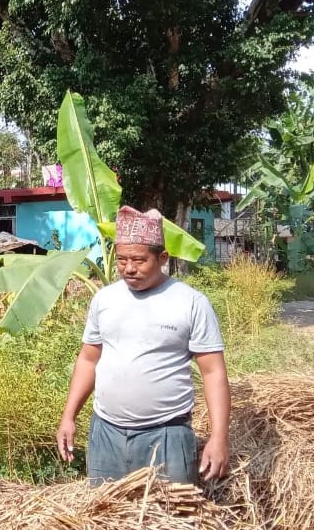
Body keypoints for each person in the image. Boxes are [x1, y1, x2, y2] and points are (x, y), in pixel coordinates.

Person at [56, 206, 231, 486]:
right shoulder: (105, 300)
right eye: (122, 260)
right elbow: (88, 360)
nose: (129, 268)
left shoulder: (190, 302)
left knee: (170, 521)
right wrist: (69, 417)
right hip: (106, 433)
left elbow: (213, 373)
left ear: (162, 258)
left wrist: (219, 437)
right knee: (105, 521)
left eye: (139, 260)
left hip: (167, 435)